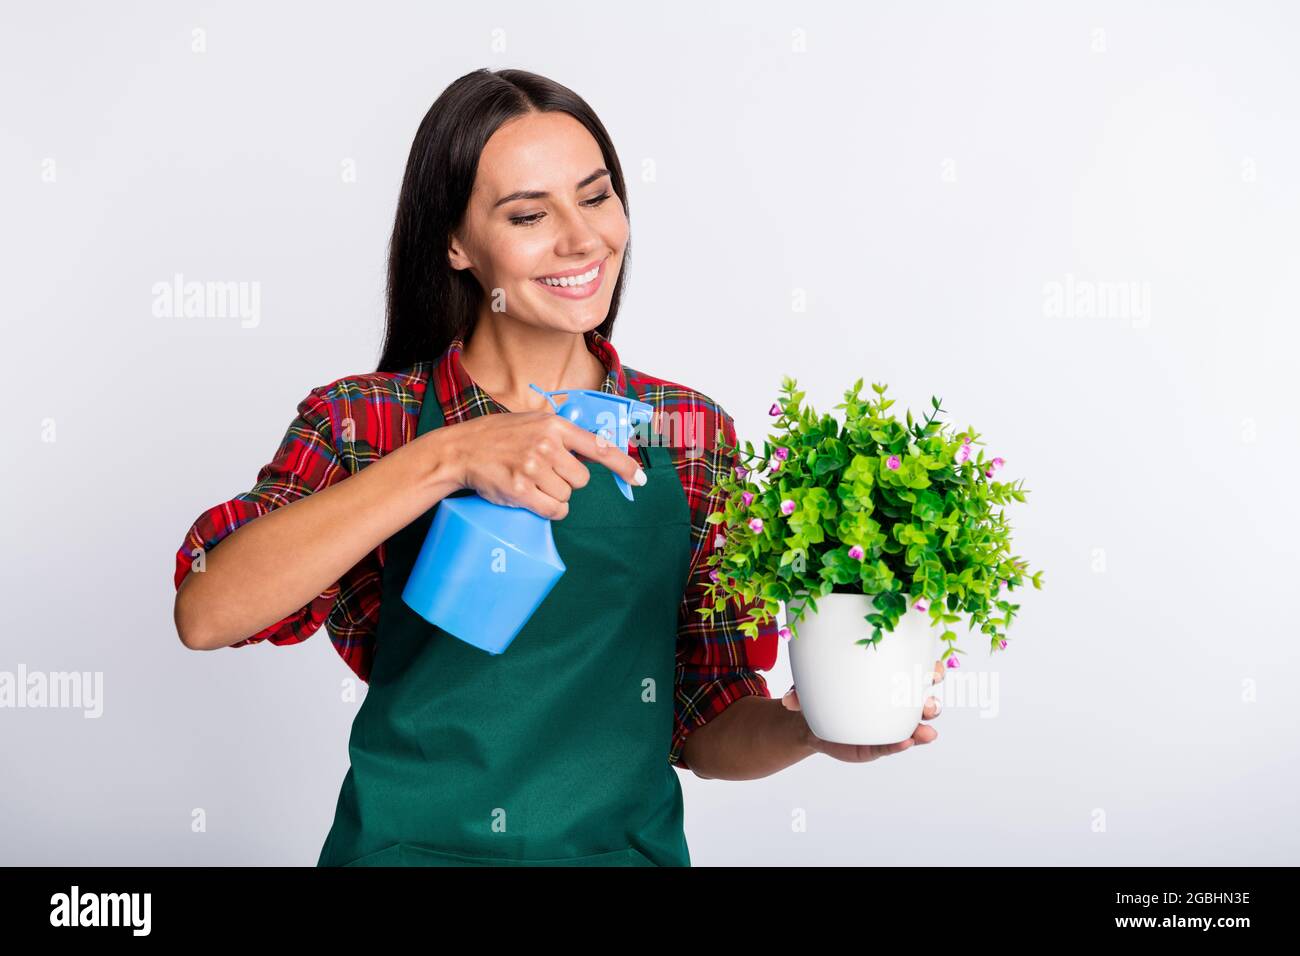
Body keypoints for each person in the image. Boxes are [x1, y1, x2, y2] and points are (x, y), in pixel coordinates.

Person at [171, 68, 940, 867]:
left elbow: (703, 718)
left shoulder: (688, 434)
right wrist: (448, 458)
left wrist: (811, 726)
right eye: (530, 214)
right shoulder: (373, 420)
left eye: (597, 197)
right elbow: (210, 612)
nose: (581, 239)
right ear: (456, 243)